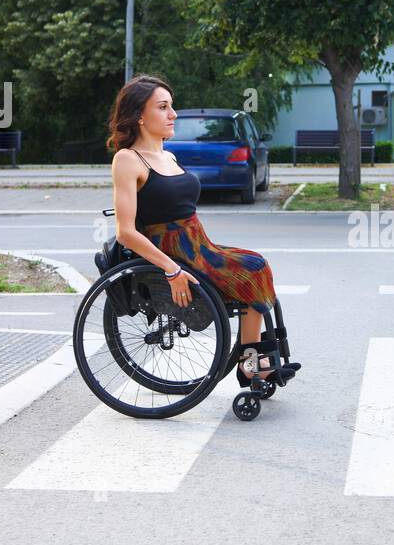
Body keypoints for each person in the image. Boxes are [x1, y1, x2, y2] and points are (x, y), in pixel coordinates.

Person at [106, 74, 298, 385]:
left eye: (172, 106)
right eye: (163, 107)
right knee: (253, 268)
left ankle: (254, 364)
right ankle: (250, 368)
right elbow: (125, 231)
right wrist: (171, 270)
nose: (173, 114)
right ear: (140, 115)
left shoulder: (168, 155)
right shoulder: (128, 160)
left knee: (256, 265)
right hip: (175, 252)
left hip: (198, 244)